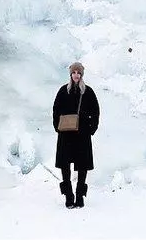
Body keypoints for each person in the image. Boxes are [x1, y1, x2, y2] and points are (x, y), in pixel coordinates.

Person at [52, 61, 100, 208]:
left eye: (78, 73)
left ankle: (80, 196)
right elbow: (56, 110)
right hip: (65, 134)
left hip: (82, 134)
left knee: (82, 166)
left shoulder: (88, 91)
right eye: (74, 72)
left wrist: (91, 129)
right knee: (65, 166)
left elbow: (96, 112)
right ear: (70, 74)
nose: (76, 75)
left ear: (82, 74)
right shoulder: (63, 91)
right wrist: (57, 127)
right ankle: (68, 195)